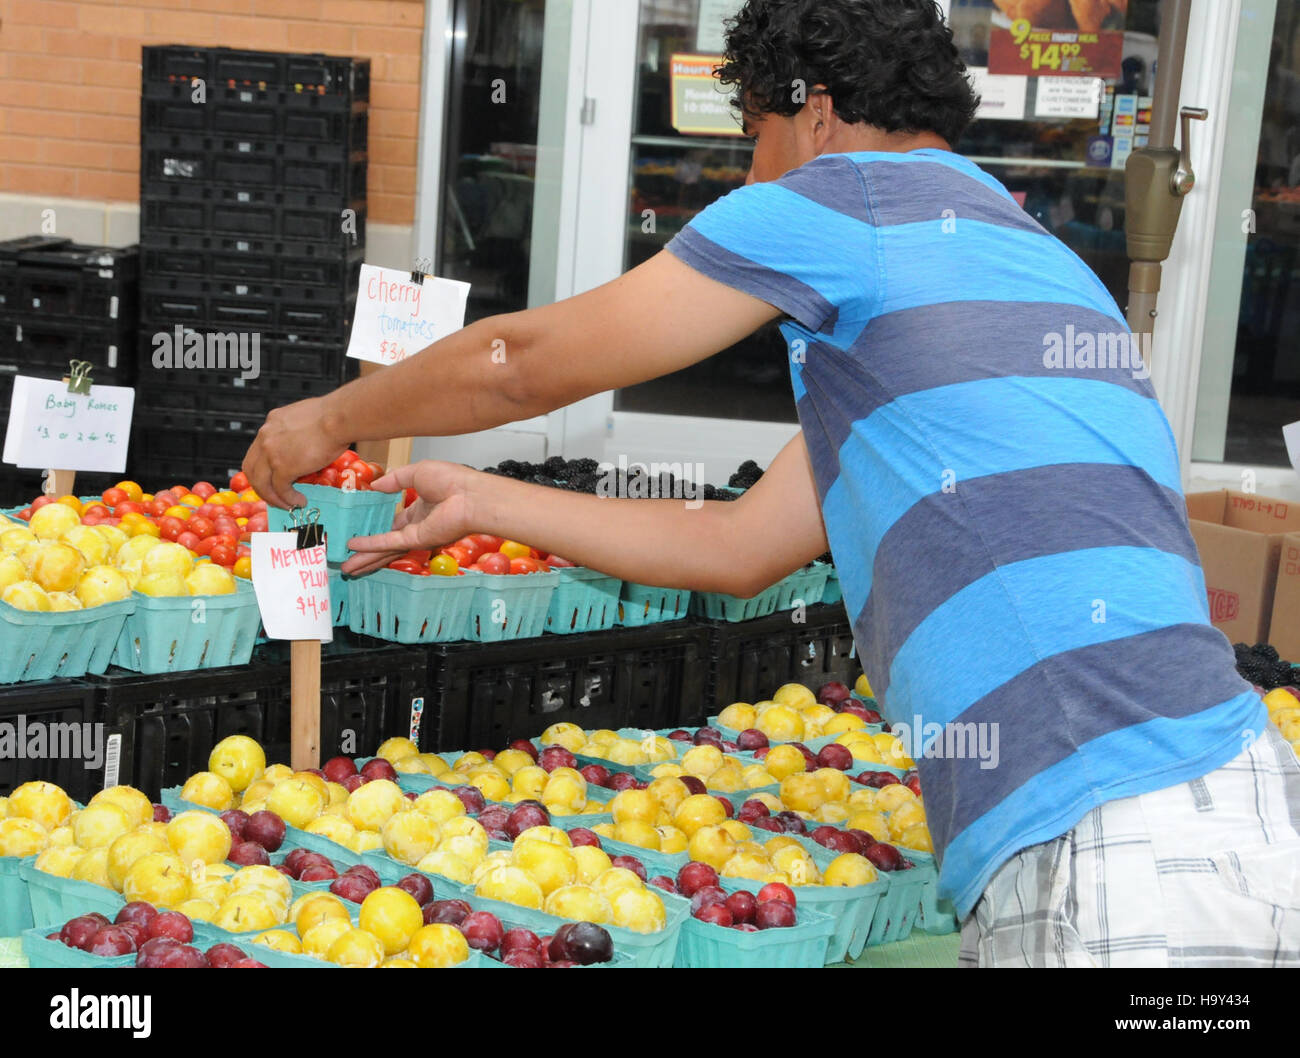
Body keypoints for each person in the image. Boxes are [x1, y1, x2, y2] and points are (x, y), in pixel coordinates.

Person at [243, 0, 1297, 967]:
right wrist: (489, 501)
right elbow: (743, 547)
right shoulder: (1019, 258)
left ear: (819, 114)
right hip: (1226, 803)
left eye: (752, 136)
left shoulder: (847, 200)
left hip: (1106, 839)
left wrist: (323, 418)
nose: (747, 179)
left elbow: (522, 362)